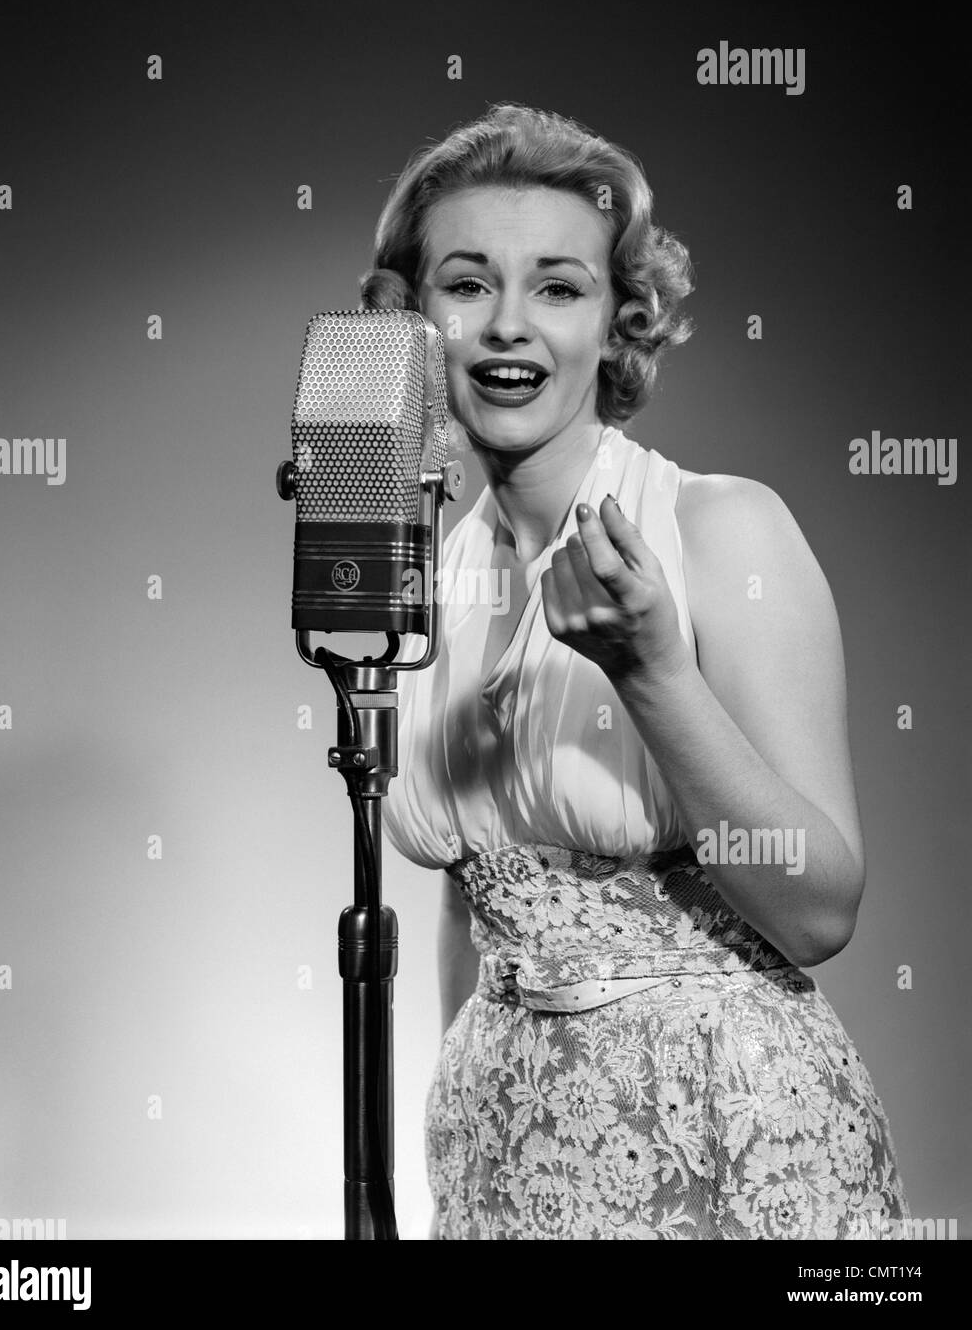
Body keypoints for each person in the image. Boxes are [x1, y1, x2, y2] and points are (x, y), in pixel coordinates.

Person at [370, 103, 910, 1240]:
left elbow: (819, 910)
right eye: (467, 285)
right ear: (411, 322)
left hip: (723, 1142)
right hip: (502, 1150)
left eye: (558, 287)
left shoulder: (724, 531)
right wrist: (455, 1137)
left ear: (620, 321)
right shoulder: (427, 573)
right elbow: (479, 897)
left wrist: (654, 672)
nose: (510, 325)